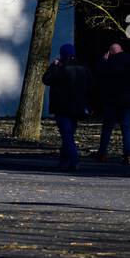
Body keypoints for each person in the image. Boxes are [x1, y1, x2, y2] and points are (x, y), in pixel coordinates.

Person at [43, 43, 92, 171]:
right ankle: (64, 160)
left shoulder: (60, 67)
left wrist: (53, 66)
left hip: (62, 106)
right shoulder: (83, 68)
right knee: (69, 134)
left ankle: (74, 159)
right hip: (78, 106)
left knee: (66, 134)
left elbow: (46, 79)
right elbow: (91, 86)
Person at [95, 43, 130, 165]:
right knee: (126, 128)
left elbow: (99, 75)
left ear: (110, 52)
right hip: (127, 101)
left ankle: (102, 154)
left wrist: (103, 61)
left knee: (107, 128)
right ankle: (128, 156)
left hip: (111, 101)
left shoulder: (109, 63)